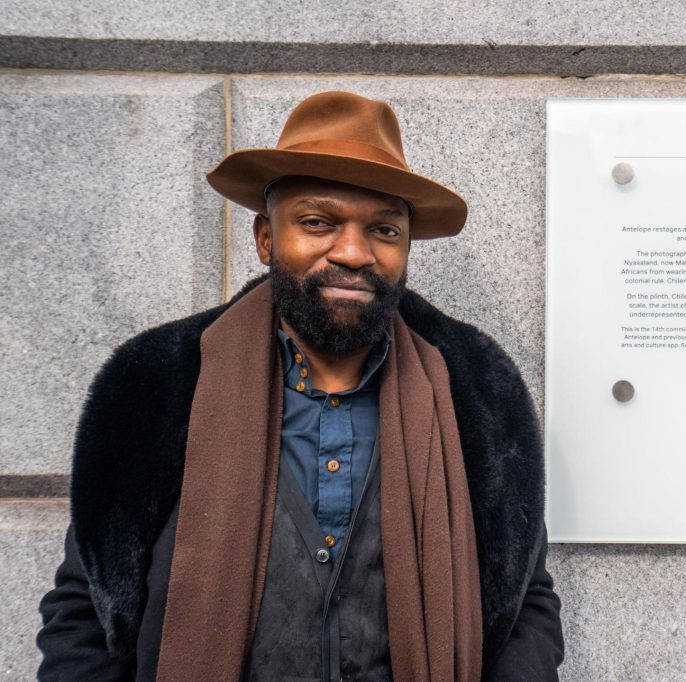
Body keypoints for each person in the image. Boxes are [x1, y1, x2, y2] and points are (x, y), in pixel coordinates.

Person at [36, 91, 563, 681]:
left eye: (384, 230)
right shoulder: (158, 383)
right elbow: (87, 610)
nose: (354, 252)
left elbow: (524, 603)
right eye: (319, 223)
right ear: (266, 238)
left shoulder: (476, 391)